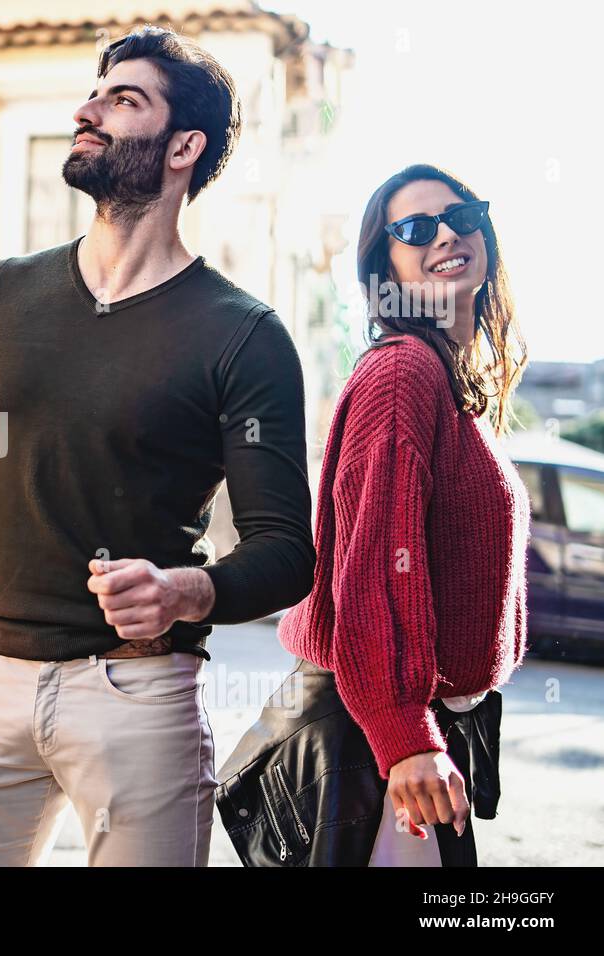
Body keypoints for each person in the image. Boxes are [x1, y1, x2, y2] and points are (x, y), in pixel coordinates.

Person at [0, 27, 315, 866]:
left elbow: (286, 552)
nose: (88, 110)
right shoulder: (4, 292)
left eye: (125, 99)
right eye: (96, 90)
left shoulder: (243, 335)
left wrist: (183, 590)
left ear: (183, 147)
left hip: (139, 694)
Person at [217, 164, 529, 867]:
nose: (448, 234)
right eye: (416, 228)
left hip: (410, 733)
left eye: (464, 215)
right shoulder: (402, 375)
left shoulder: (449, 377)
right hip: (380, 739)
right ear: (381, 265)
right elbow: (375, 567)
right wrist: (406, 735)